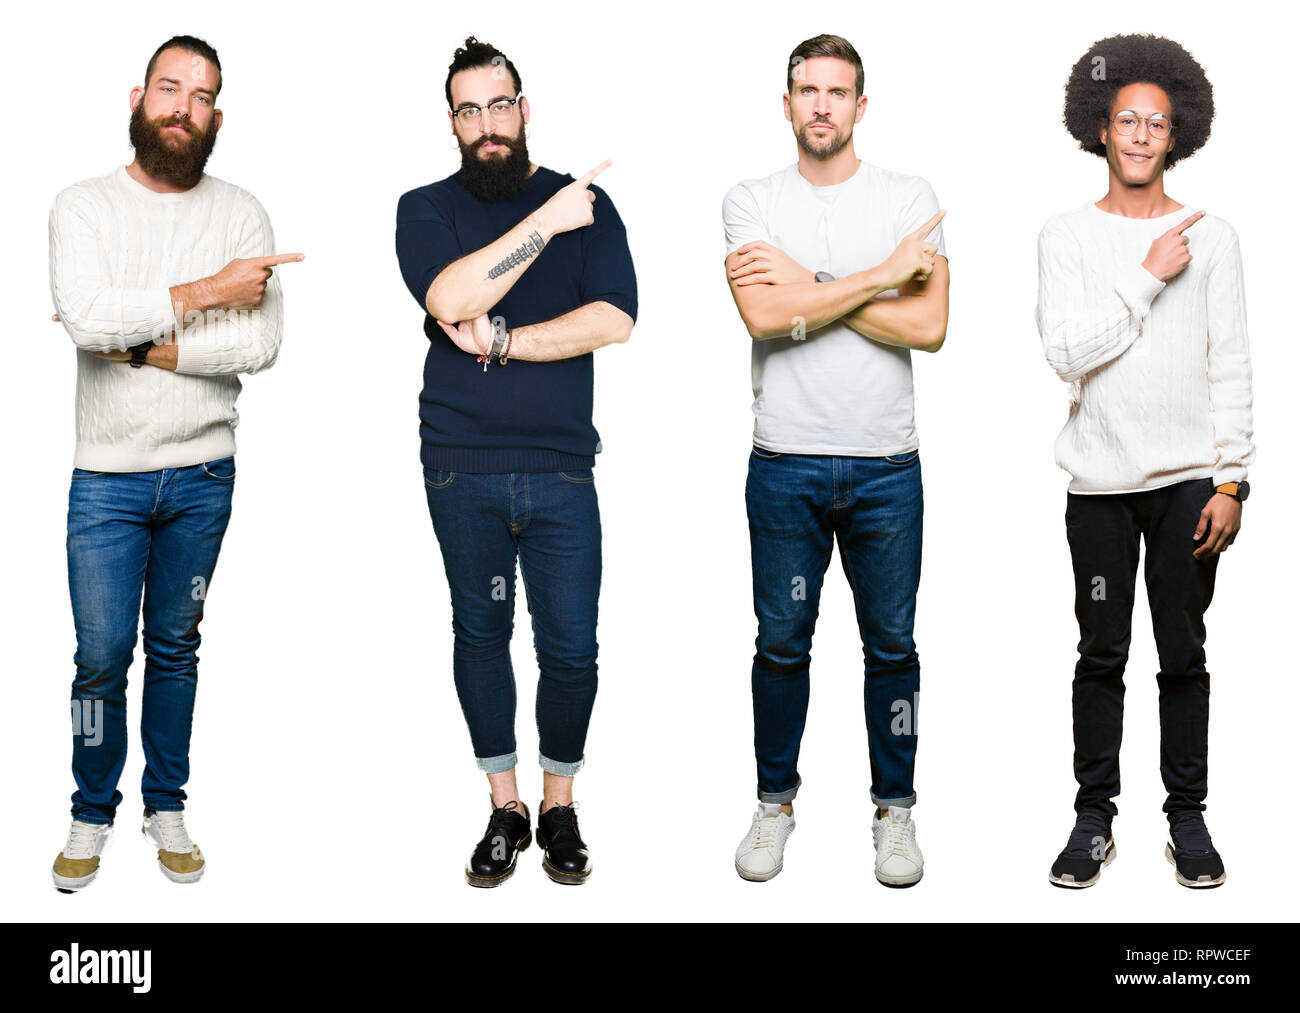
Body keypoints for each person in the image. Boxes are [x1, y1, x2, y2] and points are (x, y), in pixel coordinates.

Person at [48, 35, 301, 891]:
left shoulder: (242, 213)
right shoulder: (81, 207)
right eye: (169, 88)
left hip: (203, 476)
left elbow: (260, 342)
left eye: (201, 96)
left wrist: (138, 342)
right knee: (97, 656)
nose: (182, 107)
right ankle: (90, 809)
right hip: (106, 481)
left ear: (217, 117)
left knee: (178, 647)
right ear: (137, 98)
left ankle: (166, 803)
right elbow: (85, 317)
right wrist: (204, 294)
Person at [395, 36, 637, 887]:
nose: (488, 125)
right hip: (461, 465)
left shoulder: (590, 204)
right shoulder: (424, 208)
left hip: (564, 466)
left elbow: (614, 320)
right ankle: (505, 806)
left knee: (572, 646)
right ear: (453, 122)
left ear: (525, 109)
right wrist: (545, 223)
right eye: (470, 110)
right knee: (481, 632)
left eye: (501, 105)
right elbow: (450, 297)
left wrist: (501, 340)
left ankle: (559, 804)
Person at [722, 34, 949, 885]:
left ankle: (896, 812)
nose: (821, 104)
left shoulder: (908, 198)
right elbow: (764, 318)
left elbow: (930, 328)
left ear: (861, 105)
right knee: (782, 642)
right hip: (786, 462)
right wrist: (879, 277)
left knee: (892, 645)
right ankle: (774, 803)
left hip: (887, 465)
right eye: (806, 90)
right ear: (786, 105)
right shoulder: (750, 201)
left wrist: (811, 281)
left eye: (837, 91)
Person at [1037, 33, 1253, 889]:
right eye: (1124, 119)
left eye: (1155, 123)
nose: (1138, 135)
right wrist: (1145, 277)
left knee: (1183, 652)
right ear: (1099, 128)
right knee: (1101, 653)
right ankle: (1094, 817)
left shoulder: (1216, 237)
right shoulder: (1064, 235)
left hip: (1188, 486)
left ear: (1177, 134)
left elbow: (1229, 361)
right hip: (1098, 486)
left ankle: (1188, 817)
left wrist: (1234, 478)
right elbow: (1066, 354)